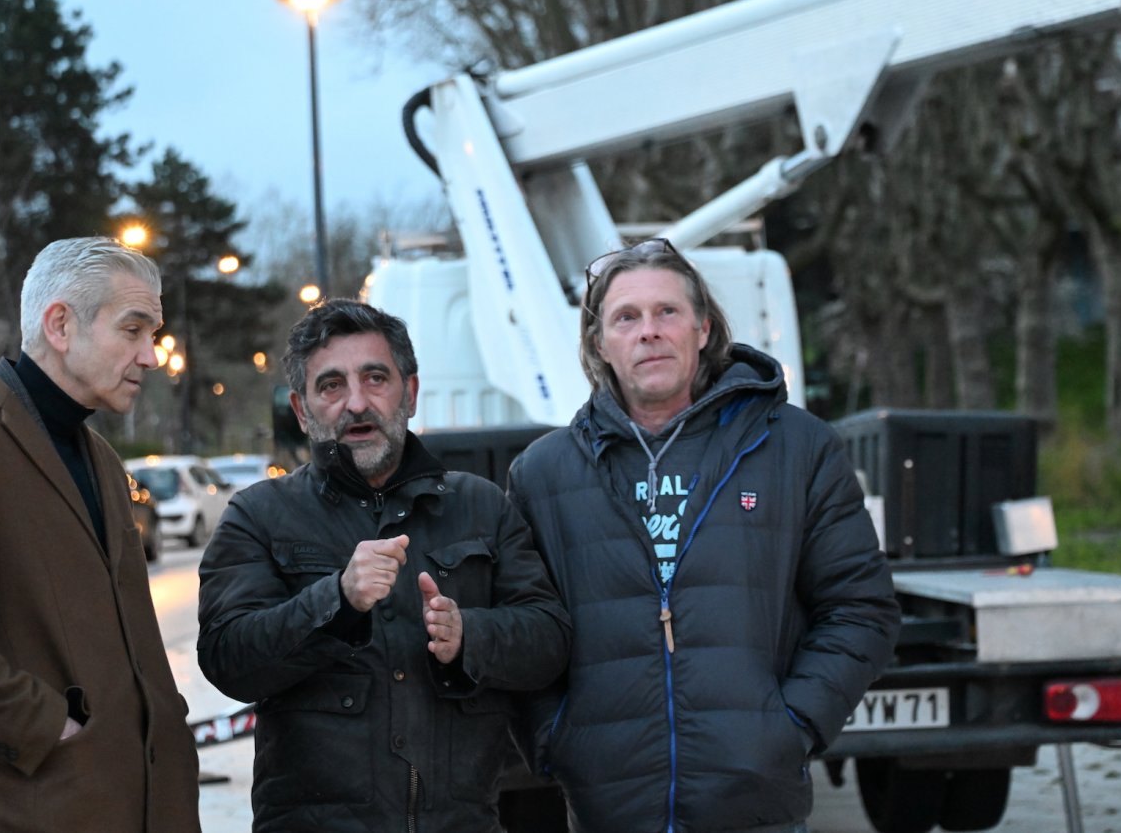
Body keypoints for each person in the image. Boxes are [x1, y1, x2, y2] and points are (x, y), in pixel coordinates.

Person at [507, 238, 901, 833]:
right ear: (599, 344)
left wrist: (789, 728)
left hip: (754, 804)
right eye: (626, 317)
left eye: (668, 312)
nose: (649, 331)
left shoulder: (796, 448)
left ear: (703, 328)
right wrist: (557, 740)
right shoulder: (542, 474)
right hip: (610, 808)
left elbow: (861, 607)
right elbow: (522, 630)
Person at [197, 298, 570, 833]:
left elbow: (550, 639)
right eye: (330, 386)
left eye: (375, 378)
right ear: (302, 410)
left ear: (410, 393)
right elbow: (227, 657)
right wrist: (337, 601)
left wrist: (471, 635)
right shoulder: (258, 515)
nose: (356, 403)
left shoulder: (482, 506)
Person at [0, 237, 200, 832]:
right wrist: (49, 726)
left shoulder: (97, 453)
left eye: (153, 334)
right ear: (59, 324)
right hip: (37, 809)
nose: (151, 356)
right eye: (134, 330)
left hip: (145, 806)